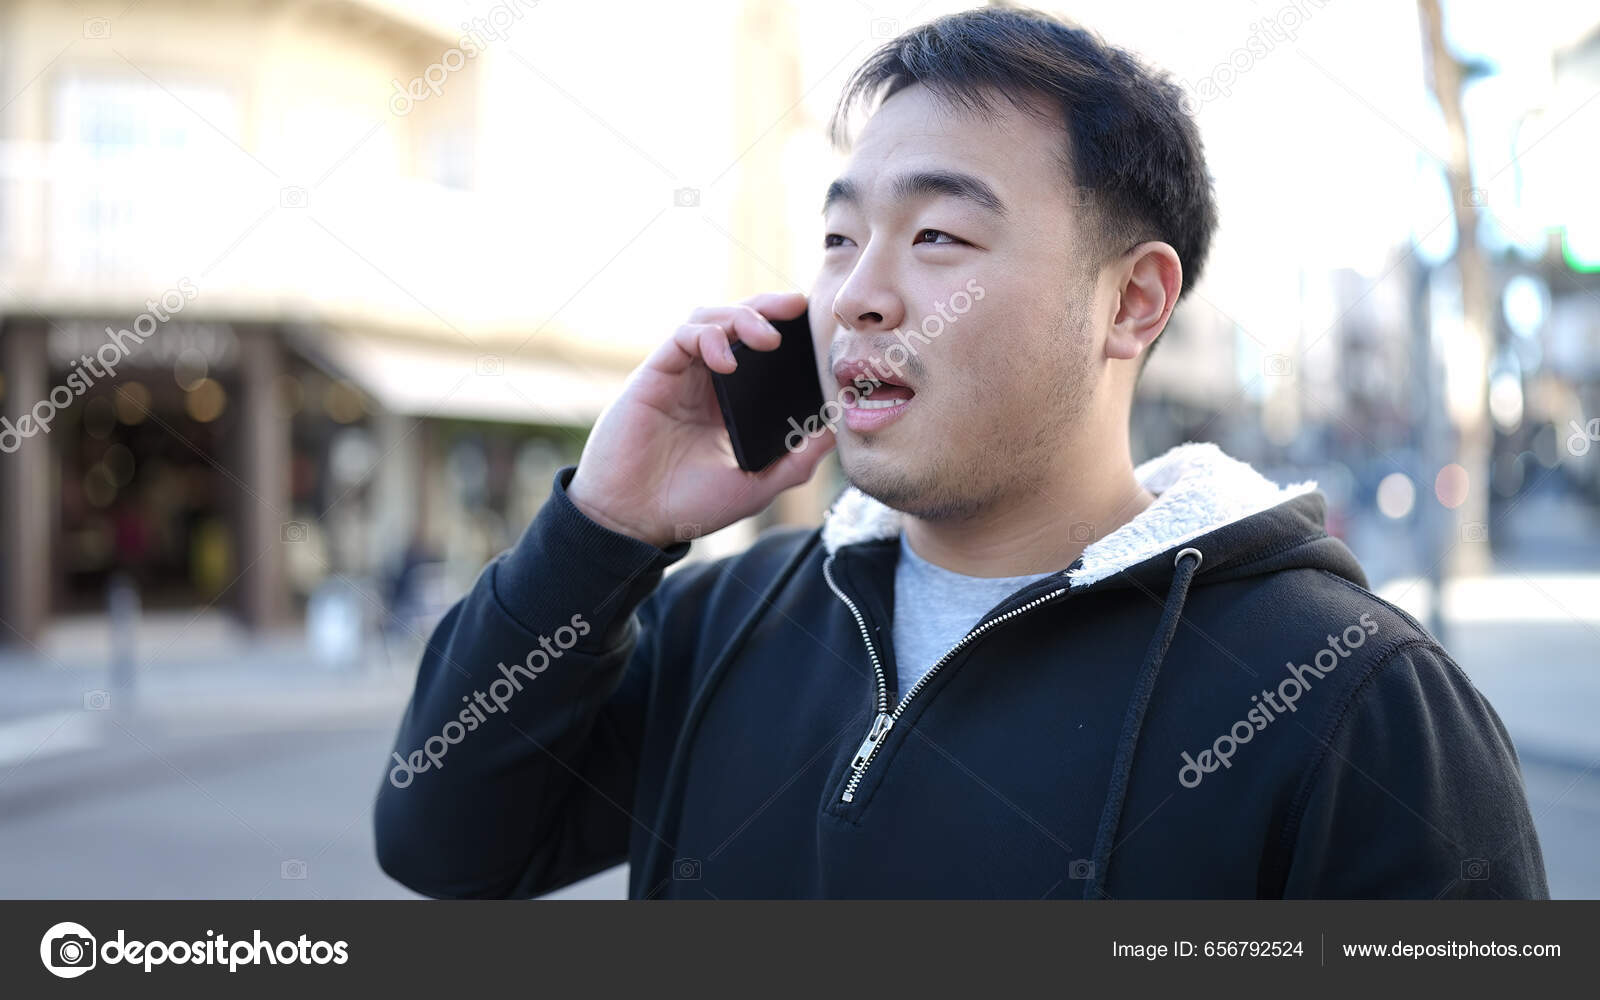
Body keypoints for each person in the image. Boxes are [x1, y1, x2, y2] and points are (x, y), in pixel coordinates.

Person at [374, 7, 1547, 899]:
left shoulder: (1353, 697)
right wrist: (604, 528)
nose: (859, 296)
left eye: (938, 235)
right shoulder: (723, 624)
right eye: (839, 237)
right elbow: (443, 838)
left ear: (1132, 303)